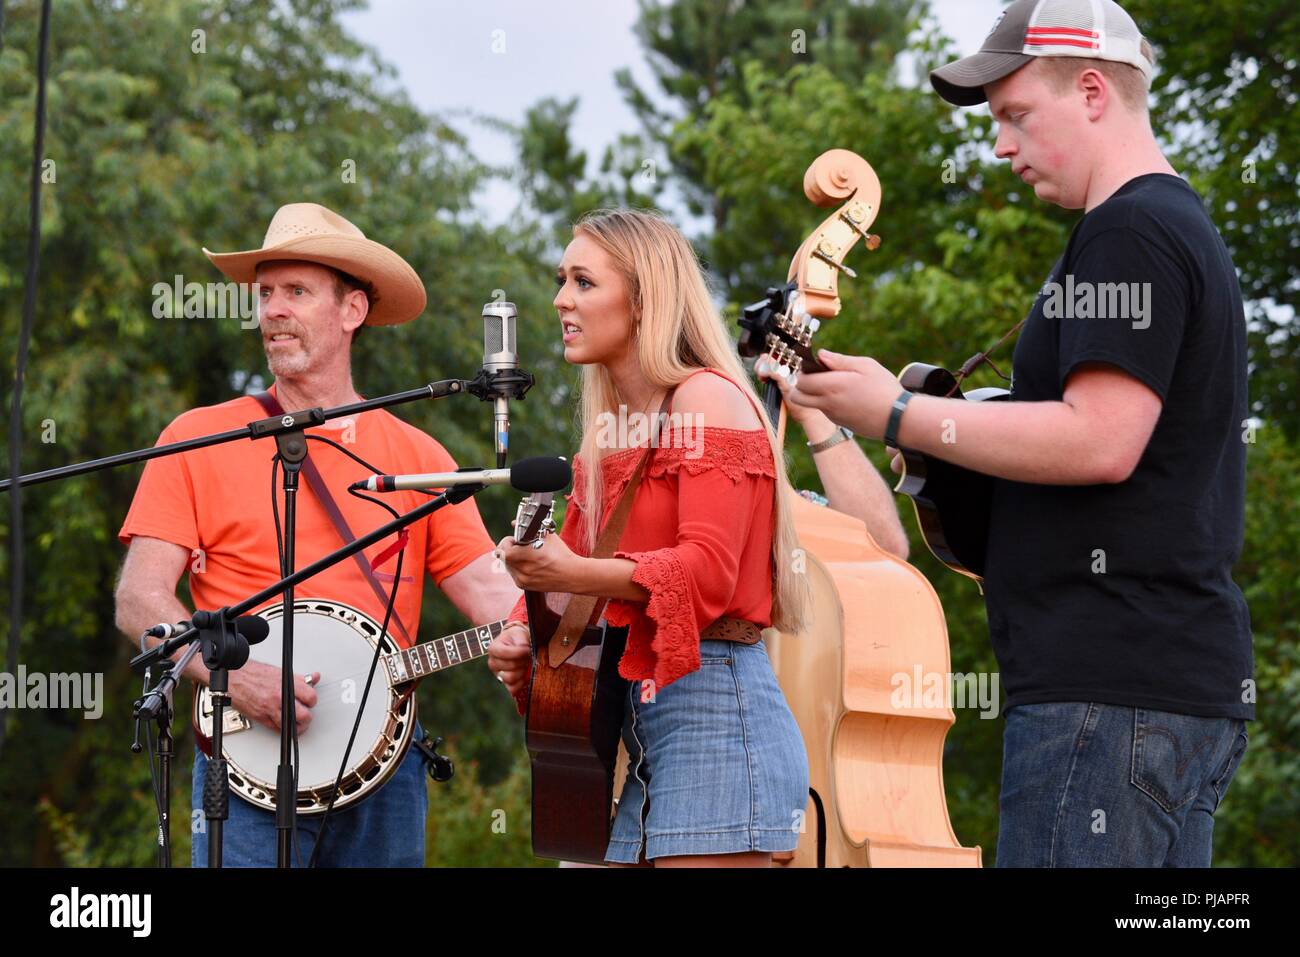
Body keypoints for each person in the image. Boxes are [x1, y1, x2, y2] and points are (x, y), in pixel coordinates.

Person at [767, 0, 1252, 867]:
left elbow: (1101, 440)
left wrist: (897, 413)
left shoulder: (1129, 230)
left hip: (1104, 699)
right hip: (1165, 690)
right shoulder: (1177, 228)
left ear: (1094, 91)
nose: (999, 145)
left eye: (1015, 115)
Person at [115, 203, 521, 867]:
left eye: (296, 292)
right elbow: (140, 598)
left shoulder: (420, 456)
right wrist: (228, 675)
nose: (273, 309)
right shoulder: (196, 437)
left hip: (384, 777)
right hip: (244, 777)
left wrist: (556, 610)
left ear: (353, 310)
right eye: (265, 293)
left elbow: (489, 592)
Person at [488, 208, 811, 867]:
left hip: (718, 716)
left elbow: (706, 573)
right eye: (561, 279)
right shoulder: (604, 437)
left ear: (644, 298)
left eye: (583, 281)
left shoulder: (708, 399)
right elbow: (587, 619)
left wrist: (568, 573)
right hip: (641, 733)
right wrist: (534, 638)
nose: (559, 299)